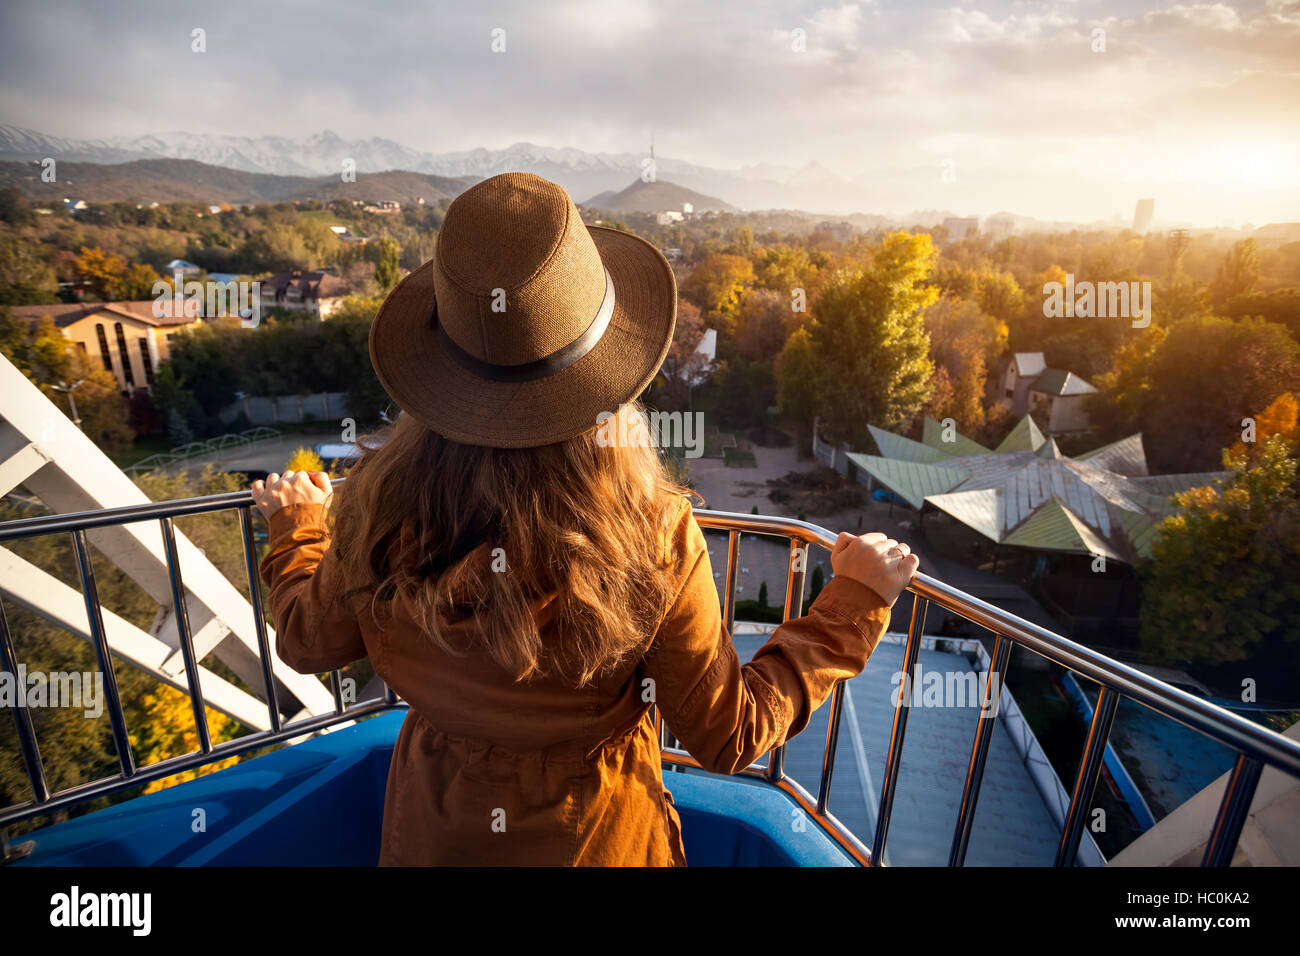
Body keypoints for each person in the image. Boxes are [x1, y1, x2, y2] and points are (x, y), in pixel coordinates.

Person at [250, 172, 919, 866]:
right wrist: (854, 604)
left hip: (433, 832)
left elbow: (308, 641)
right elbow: (728, 732)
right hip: (596, 840)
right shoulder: (650, 534)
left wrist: (298, 526)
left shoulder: (376, 510)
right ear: (607, 377)